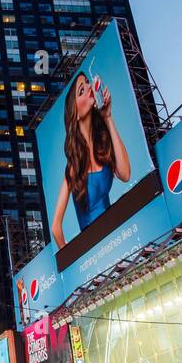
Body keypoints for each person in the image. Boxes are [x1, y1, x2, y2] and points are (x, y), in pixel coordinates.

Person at [51, 71, 132, 248]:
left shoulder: (103, 144)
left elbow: (125, 174)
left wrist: (107, 117)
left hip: (118, 236)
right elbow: (55, 227)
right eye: (81, 90)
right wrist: (76, 259)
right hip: (95, 251)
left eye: (87, 82)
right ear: (75, 113)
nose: (89, 87)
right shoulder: (74, 167)